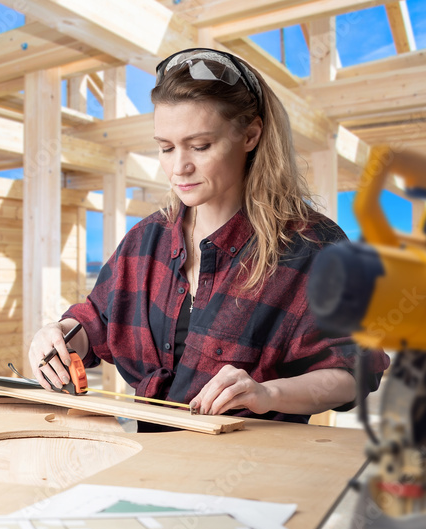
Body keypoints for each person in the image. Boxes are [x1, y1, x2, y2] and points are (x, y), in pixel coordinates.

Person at [29, 48, 389, 428]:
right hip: (150, 455)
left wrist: (267, 394)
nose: (178, 167)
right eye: (166, 148)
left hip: (254, 461)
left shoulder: (313, 246)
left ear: (250, 135)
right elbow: (96, 322)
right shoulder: (145, 239)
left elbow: (355, 370)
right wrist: (59, 336)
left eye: (200, 146)